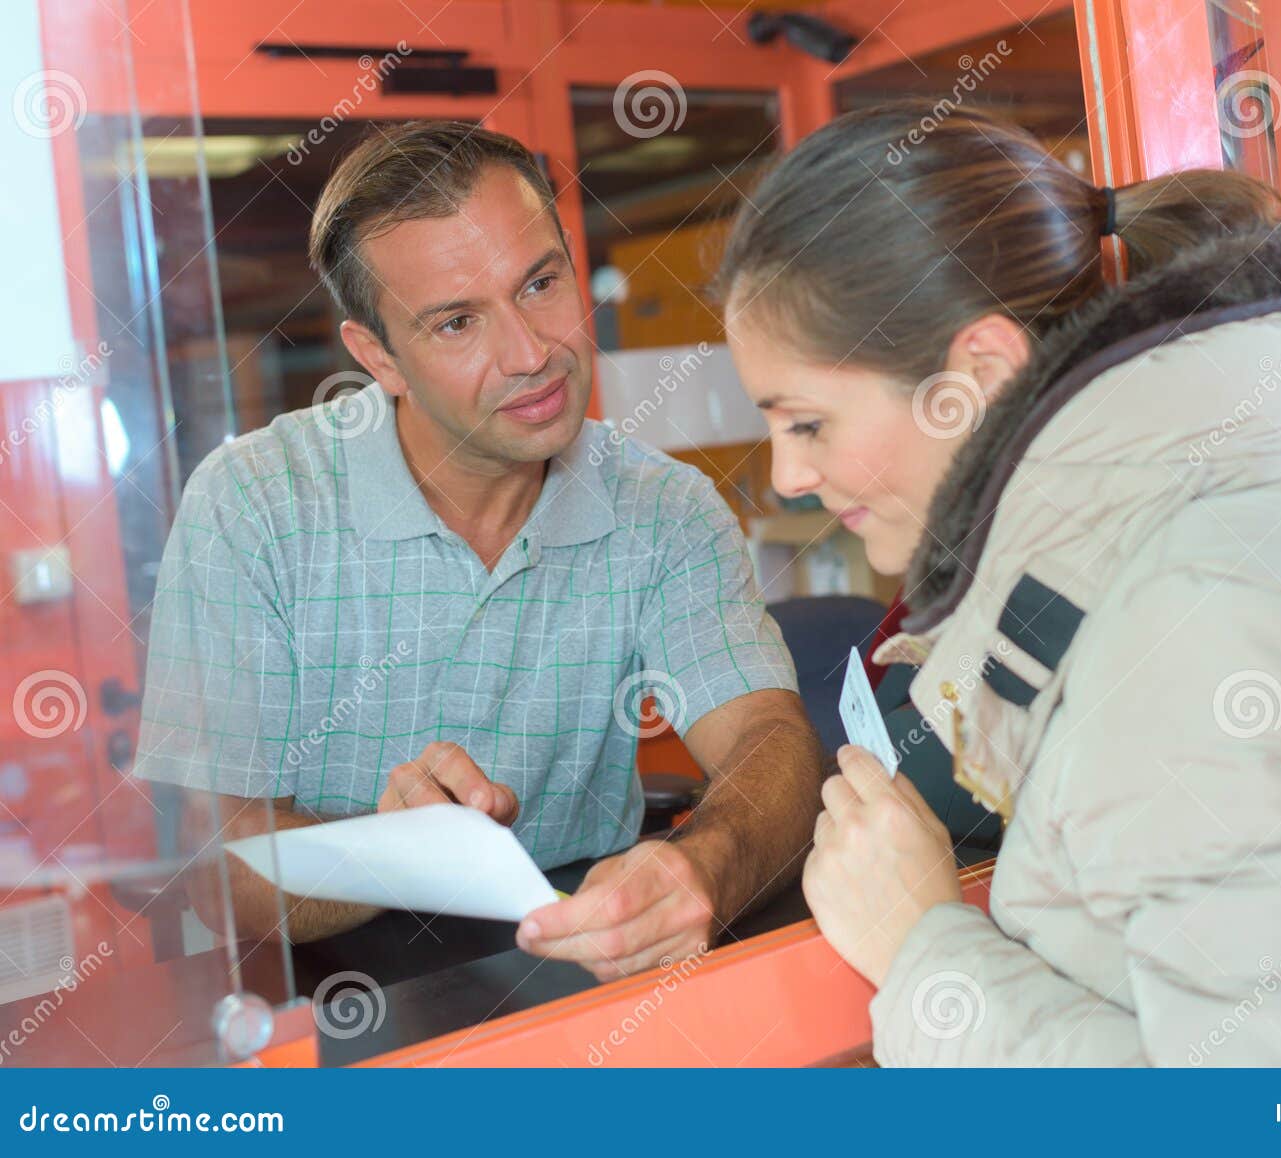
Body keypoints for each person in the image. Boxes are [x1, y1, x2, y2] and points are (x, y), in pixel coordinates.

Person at [714, 104, 1281, 1065]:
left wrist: (925, 956)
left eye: (807, 422)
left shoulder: (1185, 626)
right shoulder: (1265, 524)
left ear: (980, 375)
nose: (789, 474)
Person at [133, 121, 823, 981]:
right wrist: (395, 852)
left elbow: (770, 739)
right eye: (457, 322)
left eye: (540, 283)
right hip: (338, 987)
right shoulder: (255, 506)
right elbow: (214, 865)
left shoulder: (664, 507)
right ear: (379, 357)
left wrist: (704, 869)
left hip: (588, 956)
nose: (532, 354)